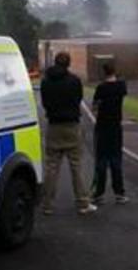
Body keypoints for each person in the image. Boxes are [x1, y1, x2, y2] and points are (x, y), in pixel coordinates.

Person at [39, 52, 97, 215]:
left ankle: (47, 204)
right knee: (76, 166)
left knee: (51, 167)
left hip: (53, 126)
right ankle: (83, 203)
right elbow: (78, 99)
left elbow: (44, 102)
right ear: (68, 63)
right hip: (71, 125)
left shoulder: (45, 81)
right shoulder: (74, 81)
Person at [91, 62, 129, 205]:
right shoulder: (121, 86)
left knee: (101, 161)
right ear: (114, 71)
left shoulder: (101, 88)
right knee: (116, 159)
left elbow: (95, 106)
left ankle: (99, 193)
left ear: (104, 72)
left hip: (102, 127)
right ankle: (119, 193)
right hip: (116, 126)